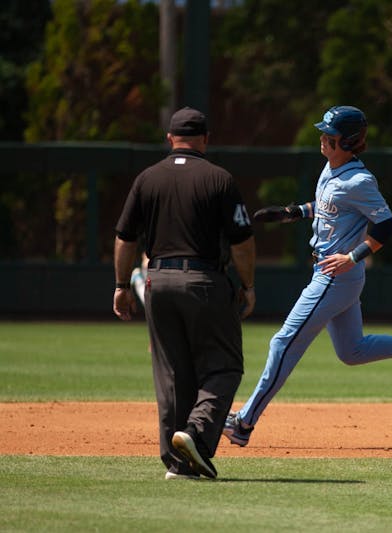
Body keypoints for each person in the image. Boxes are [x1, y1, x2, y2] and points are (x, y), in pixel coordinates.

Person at [222, 105, 392, 448]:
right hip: (333, 273)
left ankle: (243, 423)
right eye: (323, 132)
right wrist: (294, 212)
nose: (323, 138)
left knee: (282, 343)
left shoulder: (360, 181)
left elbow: (386, 224)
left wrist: (353, 256)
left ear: (348, 141)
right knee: (352, 351)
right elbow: (327, 207)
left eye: (330, 135)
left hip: (334, 276)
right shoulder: (330, 168)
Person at [113, 106, 256, 480]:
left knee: (172, 375)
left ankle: (179, 465)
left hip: (157, 282)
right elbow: (242, 241)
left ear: (170, 139)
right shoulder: (219, 179)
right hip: (203, 281)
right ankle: (197, 433)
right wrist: (248, 285)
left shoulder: (147, 178)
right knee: (225, 366)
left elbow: (125, 238)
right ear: (205, 139)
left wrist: (122, 286)